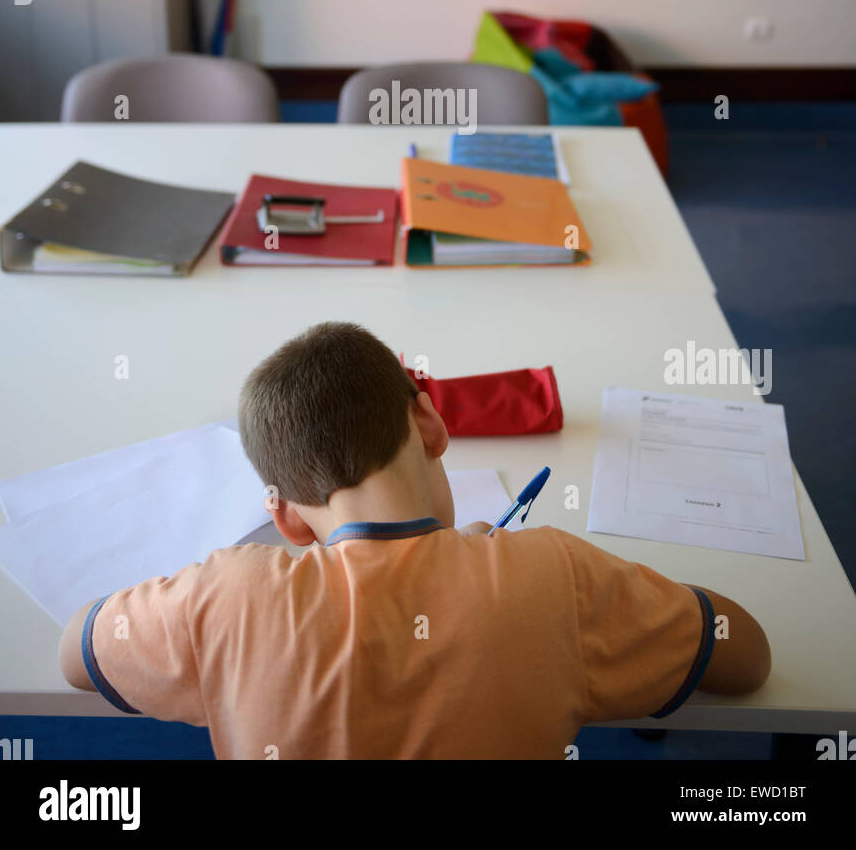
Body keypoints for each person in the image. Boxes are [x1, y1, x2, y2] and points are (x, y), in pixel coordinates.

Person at [60, 322, 771, 759]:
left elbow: (77, 654)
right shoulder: (554, 577)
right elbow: (746, 657)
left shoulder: (225, 599)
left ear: (285, 518)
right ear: (430, 427)